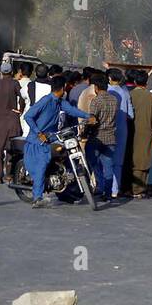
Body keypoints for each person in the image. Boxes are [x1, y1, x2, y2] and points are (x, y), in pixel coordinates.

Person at [24, 75, 94, 208]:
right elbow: (28, 116)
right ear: (62, 88)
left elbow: (72, 110)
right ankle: (37, 198)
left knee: (66, 157)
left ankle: (66, 192)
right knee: (41, 167)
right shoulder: (46, 100)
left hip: (53, 136)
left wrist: (88, 116)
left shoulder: (60, 102)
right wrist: (39, 133)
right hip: (38, 140)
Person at [0, 60, 24, 185]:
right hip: (13, 120)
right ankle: (9, 175)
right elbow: (23, 98)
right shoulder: (15, 84)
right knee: (11, 149)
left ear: (1, 72)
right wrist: (20, 111)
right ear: (12, 72)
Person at [85, 73, 120, 201]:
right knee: (108, 166)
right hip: (110, 137)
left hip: (96, 136)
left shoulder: (96, 100)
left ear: (96, 87)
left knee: (92, 161)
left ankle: (99, 186)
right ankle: (108, 193)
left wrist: (85, 133)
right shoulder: (114, 100)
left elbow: (92, 120)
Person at [129, 69, 152, 199]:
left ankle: (133, 188)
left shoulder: (130, 94)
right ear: (146, 82)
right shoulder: (150, 96)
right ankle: (139, 189)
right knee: (144, 160)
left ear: (135, 81)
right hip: (146, 132)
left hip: (132, 131)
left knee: (133, 160)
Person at [107, 68, 134, 199]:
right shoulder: (125, 92)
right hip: (122, 129)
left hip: (108, 129)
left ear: (109, 79)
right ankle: (115, 190)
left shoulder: (105, 91)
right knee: (118, 161)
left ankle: (104, 187)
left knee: (106, 159)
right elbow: (131, 115)